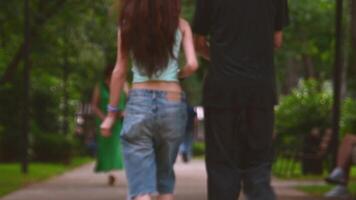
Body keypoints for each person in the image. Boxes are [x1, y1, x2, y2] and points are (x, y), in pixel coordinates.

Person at [100, 0, 198, 199]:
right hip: (173, 102)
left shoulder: (128, 26)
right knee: (165, 182)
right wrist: (175, 76)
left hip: (139, 101)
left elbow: (119, 71)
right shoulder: (181, 25)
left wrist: (111, 114)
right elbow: (193, 65)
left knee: (141, 188)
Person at [192, 0, 289, 199]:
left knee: (222, 168)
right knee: (258, 168)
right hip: (260, 90)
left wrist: (222, 57)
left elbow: (198, 43)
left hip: (222, 90)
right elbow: (277, 40)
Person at [91, 65, 128, 186]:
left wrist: (124, 111)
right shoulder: (99, 86)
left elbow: (131, 100)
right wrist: (104, 118)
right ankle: (110, 172)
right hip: (103, 121)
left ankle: (112, 173)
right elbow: (94, 105)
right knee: (105, 148)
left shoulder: (124, 84)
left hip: (118, 121)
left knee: (116, 146)